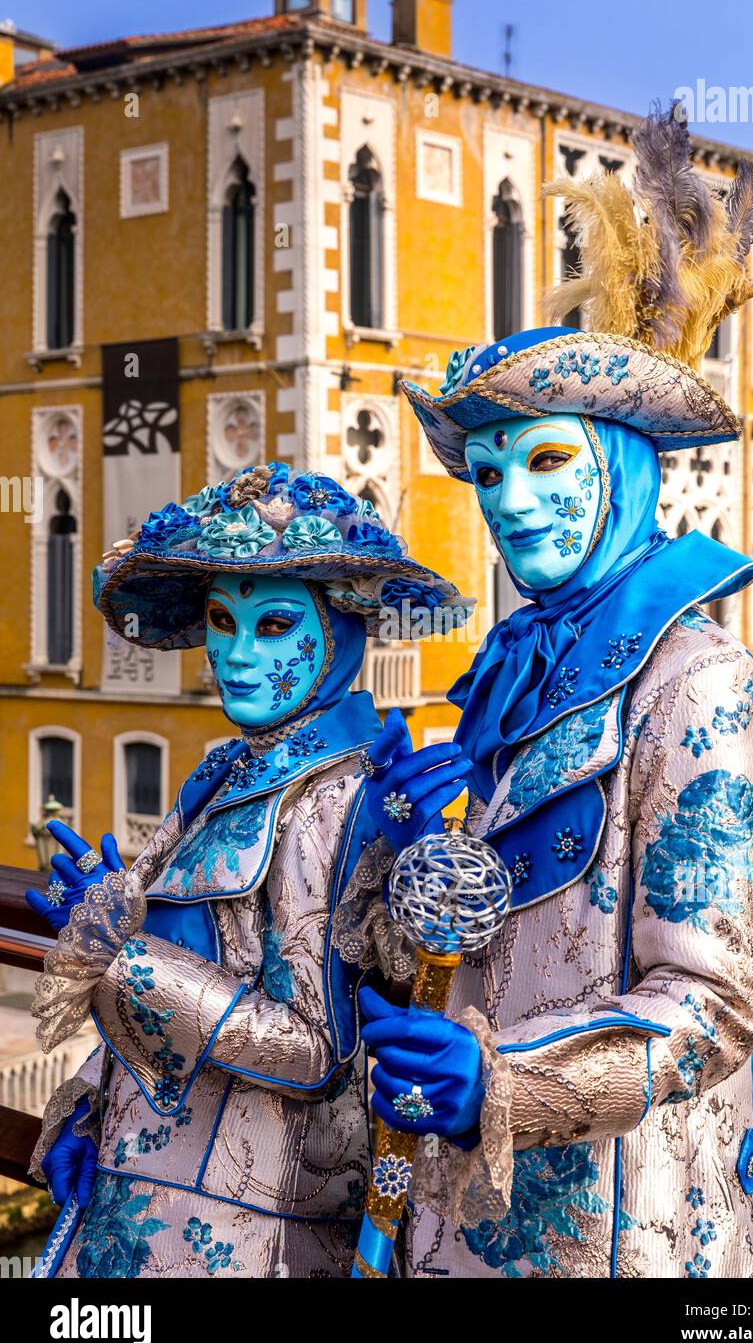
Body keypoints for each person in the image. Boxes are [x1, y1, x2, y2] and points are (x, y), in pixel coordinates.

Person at [354, 105, 753, 1278]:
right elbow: (464, 945)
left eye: (544, 460)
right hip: (459, 1224)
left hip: (624, 1237)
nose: (507, 502)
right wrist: (398, 852)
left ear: (623, 464)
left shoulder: (697, 684)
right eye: (488, 473)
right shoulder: (508, 677)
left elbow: (709, 1006)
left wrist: (501, 1080)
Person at [26, 460, 470, 1279]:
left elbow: (311, 1050)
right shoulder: (221, 777)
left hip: (250, 1235)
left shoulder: (343, 798)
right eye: (222, 622)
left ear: (338, 632)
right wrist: (88, 1110)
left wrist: (118, 957)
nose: (232, 654)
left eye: (270, 626)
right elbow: (184, 984)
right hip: (142, 1207)